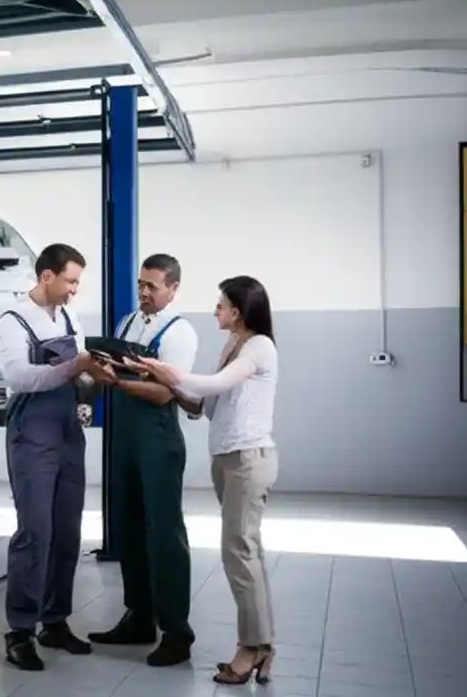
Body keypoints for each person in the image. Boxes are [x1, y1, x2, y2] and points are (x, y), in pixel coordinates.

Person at [129, 275, 280, 686]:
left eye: (221, 304)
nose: (216, 310)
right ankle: (263, 646)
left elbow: (215, 384)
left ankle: (249, 649)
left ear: (238, 310)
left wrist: (168, 371)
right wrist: (164, 383)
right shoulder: (233, 345)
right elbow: (207, 404)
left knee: (238, 553)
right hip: (228, 459)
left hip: (249, 460)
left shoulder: (258, 346)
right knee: (248, 552)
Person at [0, 242, 103, 671]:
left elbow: (79, 369)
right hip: (32, 431)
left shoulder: (70, 315)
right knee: (34, 532)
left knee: (67, 532)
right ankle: (19, 631)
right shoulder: (12, 321)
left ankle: (54, 621)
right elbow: (18, 376)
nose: (75, 290)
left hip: (67, 431)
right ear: (46, 277)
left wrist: (94, 377)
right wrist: (73, 369)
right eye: (71, 281)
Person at [88, 253, 199, 667]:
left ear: (173, 289)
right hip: (125, 438)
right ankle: (138, 618)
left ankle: (176, 632)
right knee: (129, 527)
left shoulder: (180, 333)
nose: (144, 293)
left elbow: (164, 393)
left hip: (157, 438)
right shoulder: (126, 324)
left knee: (164, 534)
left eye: (152, 286)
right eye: (141, 284)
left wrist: (114, 379)